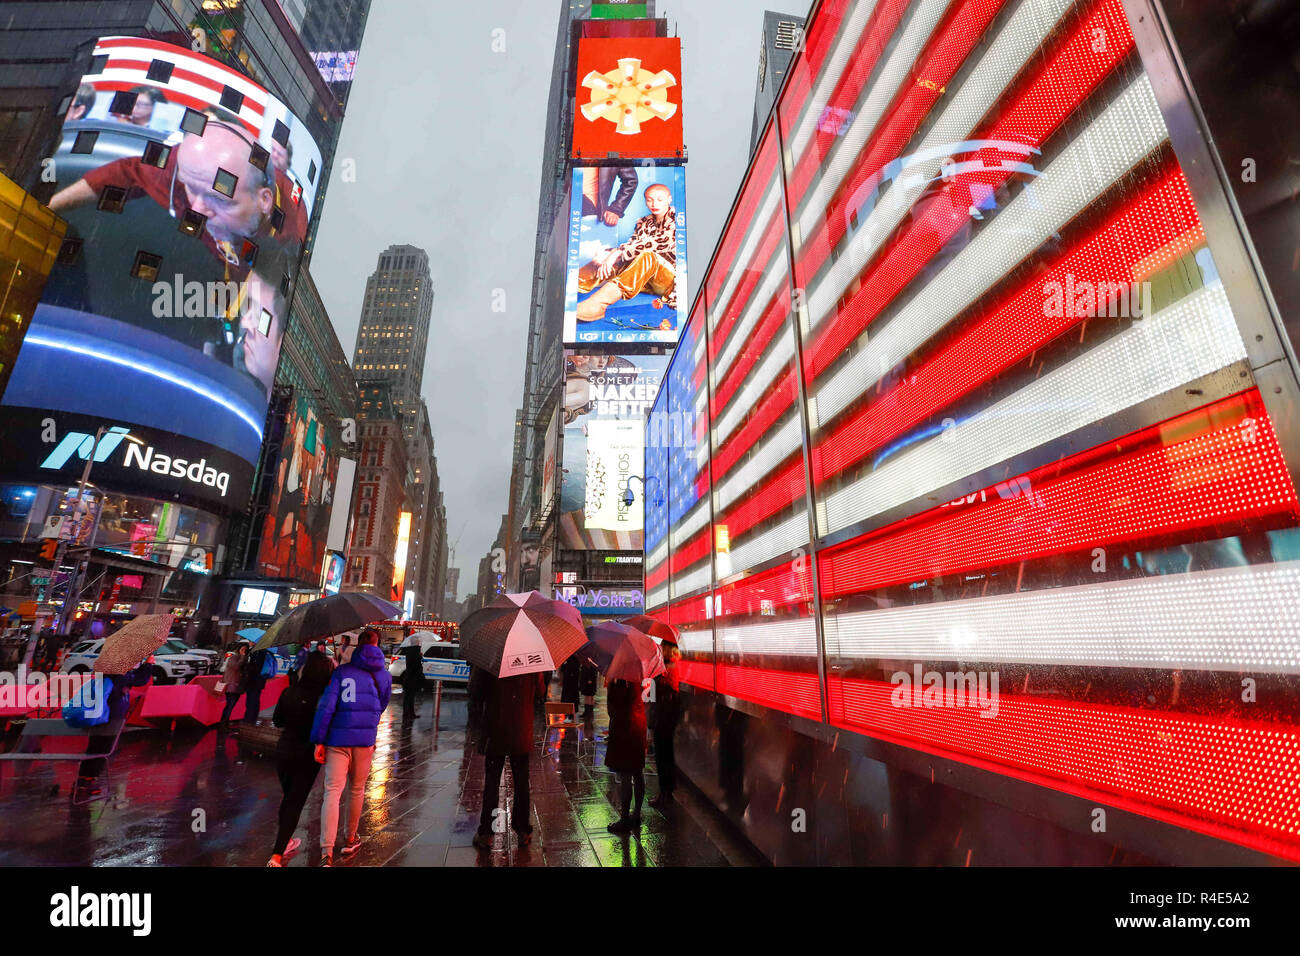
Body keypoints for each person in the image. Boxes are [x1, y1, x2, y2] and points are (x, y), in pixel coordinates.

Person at [47, 108, 308, 271]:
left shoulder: (292, 220)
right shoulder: (177, 169)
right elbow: (123, 173)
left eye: (218, 198)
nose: (197, 210)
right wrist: (49, 208)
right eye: (192, 188)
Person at [310, 627, 391, 866]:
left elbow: (327, 708)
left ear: (358, 645)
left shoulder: (342, 672)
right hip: (364, 741)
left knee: (332, 792)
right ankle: (350, 839)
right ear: (378, 644)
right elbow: (381, 705)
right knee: (357, 789)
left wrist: (319, 739)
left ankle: (326, 851)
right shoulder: (383, 675)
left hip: (337, 740)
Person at [575, 182, 678, 326]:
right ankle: (573, 285)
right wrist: (609, 255)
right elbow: (633, 246)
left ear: (669, 199)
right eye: (649, 199)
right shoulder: (644, 222)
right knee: (610, 256)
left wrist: (616, 253)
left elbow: (659, 243)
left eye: (660, 199)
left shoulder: (676, 219)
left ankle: (599, 304)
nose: (654, 203)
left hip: (667, 281)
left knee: (647, 256)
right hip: (642, 277)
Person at [266, 651, 332, 867]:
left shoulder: (289, 692)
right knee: (294, 802)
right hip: (307, 756)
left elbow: (277, 721)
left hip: (284, 751)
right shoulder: (324, 698)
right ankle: (277, 854)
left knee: (288, 799)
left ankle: (284, 841)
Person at [470, 668, 546, 849]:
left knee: (492, 783)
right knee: (521, 783)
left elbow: (474, 691)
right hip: (521, 731)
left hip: (495, 729)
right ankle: (523, 831)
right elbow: (541, 692)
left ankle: (486, 833)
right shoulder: (531, 662)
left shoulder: (490, 661)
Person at [74, 658, 154, 797]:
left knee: (94, 747)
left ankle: (83, 779)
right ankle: (89, 780)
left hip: (98, 717)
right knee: (102, 750)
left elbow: (134, 678)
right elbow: (140, 680)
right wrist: (148, 665)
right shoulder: (119, 677)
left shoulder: (104, 675)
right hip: (111, 718)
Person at [605, 677, 648, 833]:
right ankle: (636, 813)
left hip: (623, 728)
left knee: (625, 774)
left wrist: (610, 685)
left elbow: (612, 710)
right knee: (638, 771)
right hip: (639, 725)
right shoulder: (641, 676)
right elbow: (647, 699)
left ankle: (624, 819)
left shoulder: (618, 680)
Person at [649, 643, 682, 809]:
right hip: (668, 718)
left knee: (662, 756)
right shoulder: (673, 667)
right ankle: (667, 791)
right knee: (666, 754)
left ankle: (665, 792)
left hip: (662, 717)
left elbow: (651, 694)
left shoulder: (664, 670)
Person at [218, 643, 247, 726]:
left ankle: (224, 720)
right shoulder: (233, 657)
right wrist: (242, 657)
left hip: (237, 685)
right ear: (239, 649)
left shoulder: (243, 658)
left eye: (245, 649)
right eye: (242, 649)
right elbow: (235, 667)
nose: (244, 651)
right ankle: (224, 722)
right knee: (230, 704)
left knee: (231, 704)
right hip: (231, 684)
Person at [242, 645, 272, 724]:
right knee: (255, 700)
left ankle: (249, 719)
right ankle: (252, 718)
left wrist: (247, 664)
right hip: (260, 681)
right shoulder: (265, 651)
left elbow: (255, 667)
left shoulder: (257, 652)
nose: (249, 642)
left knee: (251, 700)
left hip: (254, 681)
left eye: (251, 641)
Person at [400, 640, 427, 718]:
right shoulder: (415, 651)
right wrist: (420, 656)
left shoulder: (409, 650)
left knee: (408, 696)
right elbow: (415, 665)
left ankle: (407, 713)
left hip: (408, 677)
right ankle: (410, 714)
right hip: (413, 677)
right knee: (410, 696)